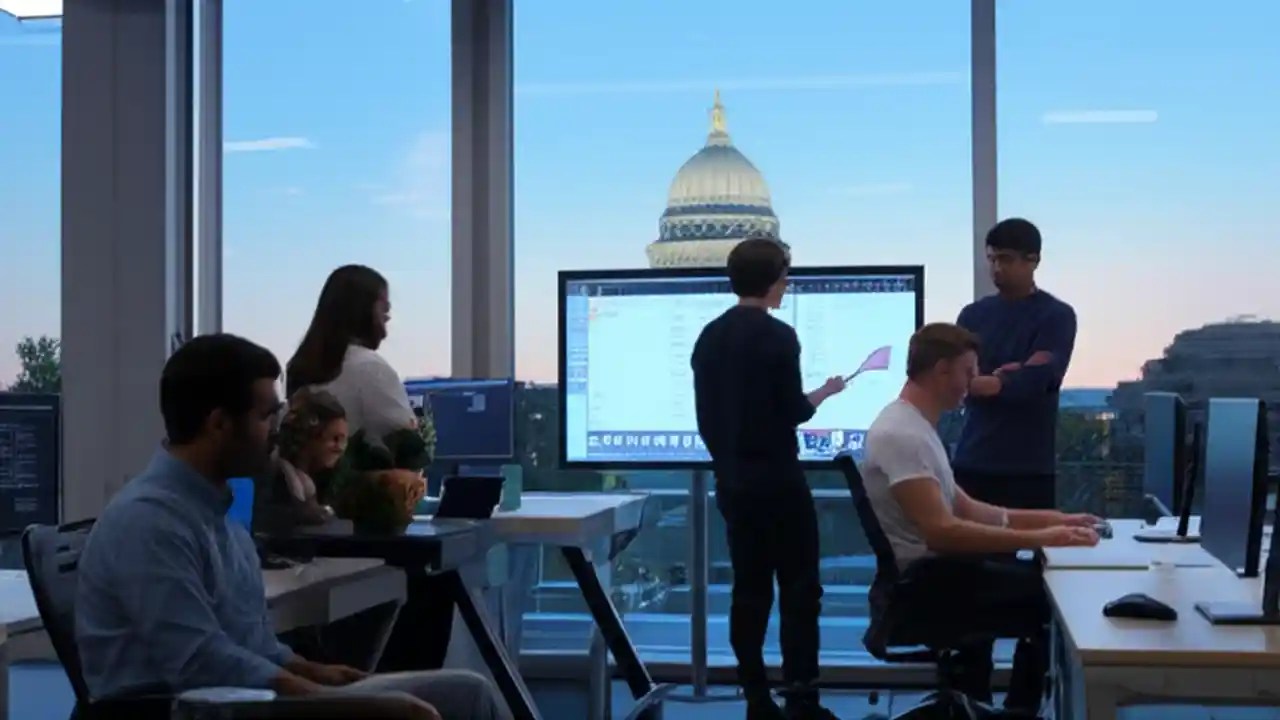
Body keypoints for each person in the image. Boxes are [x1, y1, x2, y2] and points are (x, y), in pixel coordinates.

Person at [75, 334, 510, 720]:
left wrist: (313, 672)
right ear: (219, 424)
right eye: (267, 416)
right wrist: (327, 698)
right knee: (424, 709)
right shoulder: (150, 523)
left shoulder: (215, 514)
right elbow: (198, 663)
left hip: (245, 699)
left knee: (467, 694)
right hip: (197, 709)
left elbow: (250, 645)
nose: (278, 432)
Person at [861, 323, 1098, 712]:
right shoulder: (901, 435)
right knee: (1055, 602)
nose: (972, 384)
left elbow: (968, 509)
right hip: (928, 583)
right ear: (941, 370)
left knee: (1046, 588)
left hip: (940, 573)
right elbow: (942, 533)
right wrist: (1043, 539)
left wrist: (1054, 520)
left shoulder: (917, 427)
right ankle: (1019, 711)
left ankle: (1004, 708)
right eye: (968, 372)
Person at [691, 237, 847, 720]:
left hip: (734, 485)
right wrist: (826, 390)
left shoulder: (708, 336)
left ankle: (756, 697)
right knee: (799, 590)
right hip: (780, 482)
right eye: (785, 275)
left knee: (749, 589)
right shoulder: (779, 337)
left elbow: (707, 417)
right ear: (776, 279)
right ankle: (801, 697)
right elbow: (793, 411)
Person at [953, 218, 1078, 510]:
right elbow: (959, 379)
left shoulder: (1056, 316)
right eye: (992, 259)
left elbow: (1040, 377)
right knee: (968, 551)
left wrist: (998, 382)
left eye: (1006, 259)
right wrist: (1010, 376)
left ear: (1032, 261)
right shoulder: (972, 316)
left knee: (1032, 552)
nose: (997, 268)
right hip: (972, 461)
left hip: (1028, 468)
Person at [286, 264, 417, 442]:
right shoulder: (371, 369)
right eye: (384, 309)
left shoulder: (303, 366)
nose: (387, 318)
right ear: (364, 310)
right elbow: (407, 446)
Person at [256, 387, 347, 529]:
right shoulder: (274, 480)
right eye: (335, 439)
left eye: (343, 440)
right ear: (308, 438)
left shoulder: (324, 483)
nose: (340, 447)